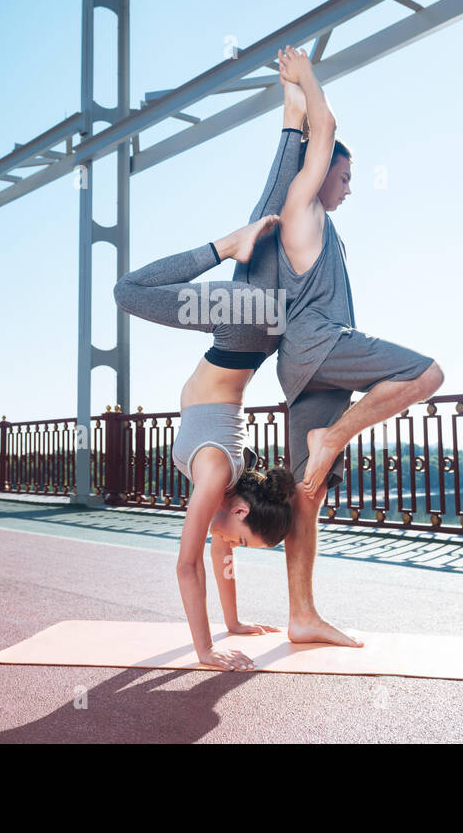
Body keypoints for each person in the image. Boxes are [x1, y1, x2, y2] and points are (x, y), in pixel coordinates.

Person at [112, 76, 306, 671]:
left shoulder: (223, 488)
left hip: (251, 332)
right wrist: (205, 653)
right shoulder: (217, 473)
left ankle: (294, 121)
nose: (237, 548)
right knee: (128, 290)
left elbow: (217, 554)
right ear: (242, 511)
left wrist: (234, 626)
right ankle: (229, 240)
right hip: (243, 330)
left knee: (273, 216)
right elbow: (186, 562)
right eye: (244, 539)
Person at [273, 45, 446, 648]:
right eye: (343, 178)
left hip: (307, 369)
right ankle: (334, 436)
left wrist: (291, 93)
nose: (347, 189)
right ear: (322, 175)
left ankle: (301, 614)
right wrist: (309, 76)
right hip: (321, 347)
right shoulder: (303, 211)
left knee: (305, 493)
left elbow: (300, 129)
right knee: (427, 374)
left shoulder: (315, 222)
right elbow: (326, 128)